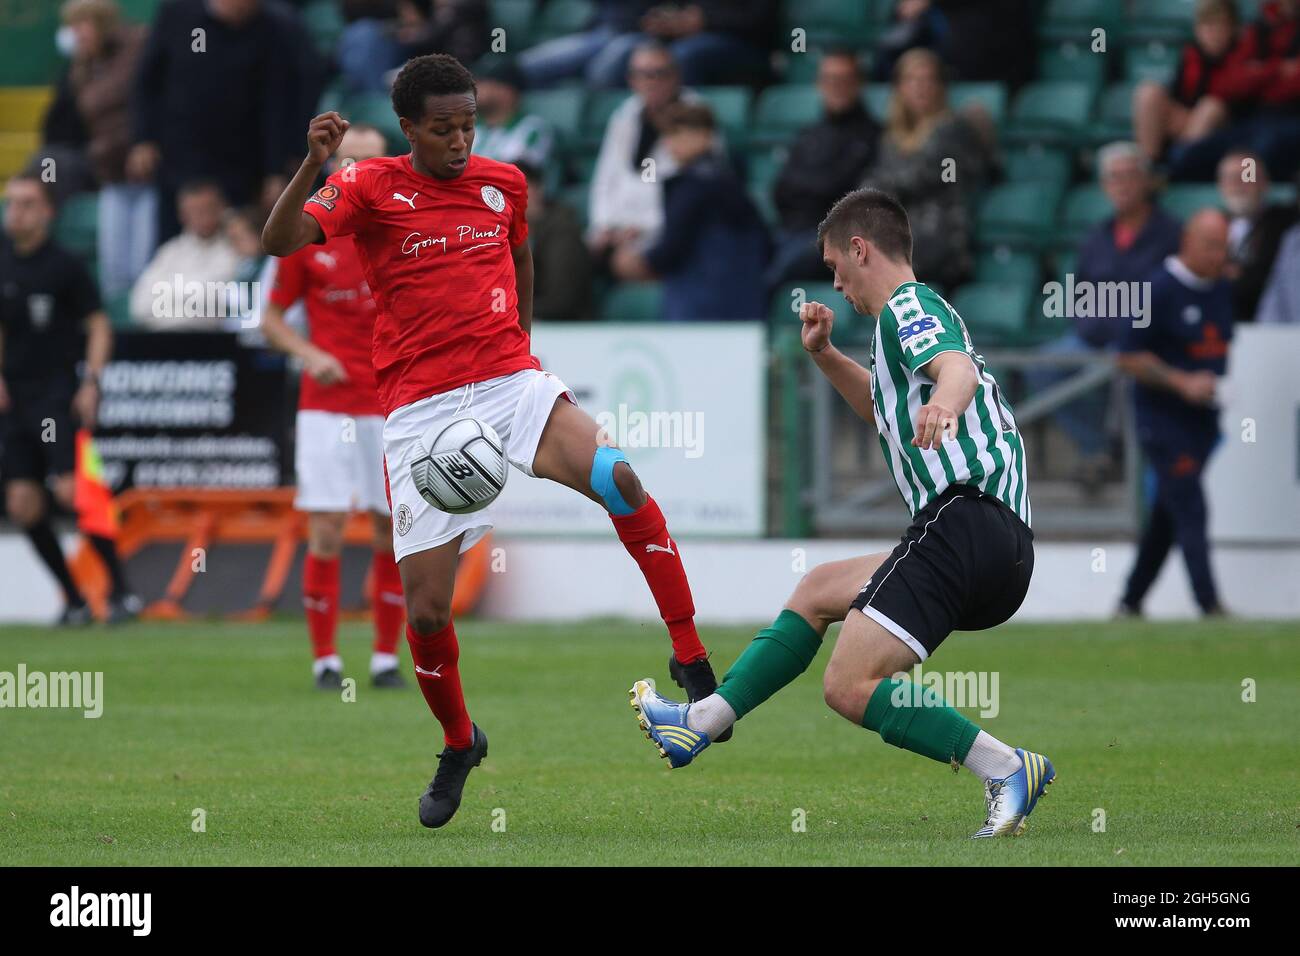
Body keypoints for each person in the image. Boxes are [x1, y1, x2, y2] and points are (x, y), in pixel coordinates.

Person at [261, 54, 721, 830]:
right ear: (409, 129)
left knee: (622, 480)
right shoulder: (368, 183)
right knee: (431, 614)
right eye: (443, 129)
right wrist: (312, 165)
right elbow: (280, 243)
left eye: (469, 125)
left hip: (509, 381)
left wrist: (524, 351)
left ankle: (692, 660)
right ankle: (459, 740)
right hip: (417, 412)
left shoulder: (504, 182)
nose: (460, 141)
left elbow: (522, 254)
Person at [629, 188, 1052, 839]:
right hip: (988, 538)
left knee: (849, 685)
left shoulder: (908, 305)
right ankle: (705, 720)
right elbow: (884, 415)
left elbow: (957, 368)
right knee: (819, 589)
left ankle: (1004, 767)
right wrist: (827, 355)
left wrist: (945, 401)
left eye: (835, 264)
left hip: (968, 520)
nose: (835, 281)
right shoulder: (896, 332)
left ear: (861, 248)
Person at [261, 124, 408, 691]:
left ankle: (384, 658)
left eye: (374, 163)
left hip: (392, 403)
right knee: (325, 525)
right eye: (351, 164)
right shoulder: (310, 233)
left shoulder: (400, 230)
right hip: (326, 405)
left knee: (390, 528)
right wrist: (307, 352)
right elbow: (270, 319)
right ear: (334, 170)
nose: (362, 174)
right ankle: (325, 659)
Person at [0, 173, 139, 625]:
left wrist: (91, 381)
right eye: (10, 203)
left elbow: (99, 324)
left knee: (73, 490)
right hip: (14, 399)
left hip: (57, 394)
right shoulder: (2, 260)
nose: (14, 212)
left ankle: (120, 592)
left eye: (25, 203)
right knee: (22, 504)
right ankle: (74, 598)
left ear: (47, 212)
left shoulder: (65, 265)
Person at [1029, 142, 1182, 487]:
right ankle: (1097, 448)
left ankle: (1135, 463)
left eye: (1130, 176)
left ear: (1146, 181)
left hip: (1145, 344)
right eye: (1114, 178)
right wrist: (1090, 326)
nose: (1122, 184)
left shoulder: (1171, 234)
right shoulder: (1097, 236)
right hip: (1092, 339)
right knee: (1042, 366)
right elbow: (1080, 292)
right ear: (1104, 186)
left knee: (1125, 372)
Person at [1116, 210, 1233, 617]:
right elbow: (1127, 357)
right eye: (1211, 245)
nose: (1219, 255)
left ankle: (1129, 602)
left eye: (1223, 246)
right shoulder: (1158, 289)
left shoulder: (1222, 289)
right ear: (1187, 240)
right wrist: (1182, 382)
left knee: (1170, 512)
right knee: (1192, 506)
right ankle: (1210, 604)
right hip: (1162, 421)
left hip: (1203, 423)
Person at [127, 0, 304, 243]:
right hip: (178, 160)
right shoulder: (176, 14)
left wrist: (275, 170)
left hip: (239, 167)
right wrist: (143, 138)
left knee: (234, 248)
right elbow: (147, 83)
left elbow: (277, 104)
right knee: (172, 246)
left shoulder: (272, 27)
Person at [610, 103, 768, 320]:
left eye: (678, 133)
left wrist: (639, 260)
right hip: (737, 302)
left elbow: (670, 248)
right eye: (667, 134)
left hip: (701, 303)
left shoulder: (694, 184)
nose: (670, 142)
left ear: (705, 136)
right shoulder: (727, 178)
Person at [43, 0, 152, 296]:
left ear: (101, 23)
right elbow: (63, 122)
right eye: (72, 27)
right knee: (114, 272)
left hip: (146, 173)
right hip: (110, 173)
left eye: (82, 26)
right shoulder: (82, 66)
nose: (76, 34)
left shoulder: (137, 48)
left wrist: (143, 143)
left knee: (142, 269)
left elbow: (140, 100)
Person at [861, 49, 991, 292]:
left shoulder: (953, 130)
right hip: (902, 236)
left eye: (928, 80)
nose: (921, 87)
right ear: (899, 88)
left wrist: (876, 191)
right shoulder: (890, 138)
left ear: (941, 87)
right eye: (912, 80)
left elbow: (916, 177)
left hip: (940, 240)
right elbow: (876, 182)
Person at [768, 49, 880, 290]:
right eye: (829, 79)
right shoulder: (809, 134)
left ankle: (756, 320)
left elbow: (840, 191)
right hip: (790, 230)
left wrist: (806, 186)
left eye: (843, 80)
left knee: (778, 271)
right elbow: (780, 189)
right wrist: (815, 186)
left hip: (834, 237)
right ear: (819, 84)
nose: (836, 86)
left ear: (858, 84)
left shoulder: (872, 135)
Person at [586, 43, 698, 259]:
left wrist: (644, 226)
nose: (651, 82)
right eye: (643, 75)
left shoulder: (694, 115)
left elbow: (693, 194)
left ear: (676, 76)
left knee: (625, 260)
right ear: (631, 80)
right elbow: (605, 178)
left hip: (667, 232)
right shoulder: (625, 115)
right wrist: (604, 224)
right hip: (619, 229)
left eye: (660, 74)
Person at [1133, 0, 1258, 179]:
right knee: (1148, 92)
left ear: (1232, 28)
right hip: (1190, 121)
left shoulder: (1244, 53)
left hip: (1227, 126)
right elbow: (1178, 94)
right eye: (1207, 26)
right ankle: (1147, 168)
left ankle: (1175, 168)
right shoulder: (1192, 54)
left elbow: (1238, 102)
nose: (1212, 33)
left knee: (1210, 107)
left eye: (1219, 26)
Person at [129, 180, 242, 329]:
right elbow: (139, 307)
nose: (203, 216)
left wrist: (167, 295)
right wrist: (195, 298)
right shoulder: (170, 251)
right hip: (167, 342)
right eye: (195, 211)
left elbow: (223, 305)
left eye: (208, 209)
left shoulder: (237, 249)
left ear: (222, 209)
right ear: (182, 215)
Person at [1216, 150, 1297, 321]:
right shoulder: (1209, 225)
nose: (1239, 185)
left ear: (1264, 183)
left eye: (1247, 177)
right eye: (1231, 178)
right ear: (1220, 185)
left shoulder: (1285, 222)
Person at [518, 163, 593, 321]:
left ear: (539, 190)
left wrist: (504, 313)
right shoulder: (497, 235)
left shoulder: (563, 232)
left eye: (517, 188)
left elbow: (561, 301)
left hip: (567, 333)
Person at [469, 57, 556, 171]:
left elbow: (515, 175)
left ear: (507, 91)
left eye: (483, 82)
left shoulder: (532, 128)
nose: (474, 89)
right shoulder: (472, 128)